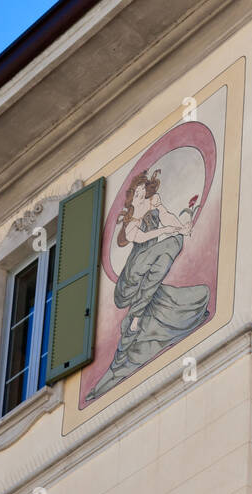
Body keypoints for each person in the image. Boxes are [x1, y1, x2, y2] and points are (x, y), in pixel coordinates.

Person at [87, 168, 209, 401]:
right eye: (137, 191)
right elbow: (143, 238)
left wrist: (179, 226)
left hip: (149, 268)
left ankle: (136, 327)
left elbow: (167, 216)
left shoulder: (154, 202)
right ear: (132, 194)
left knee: (168, 292)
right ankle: (131, 327)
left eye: (144, 189)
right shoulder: (131, 220)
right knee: (169, 244)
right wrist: (169, 230)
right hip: (131, 279)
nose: (141, 194)